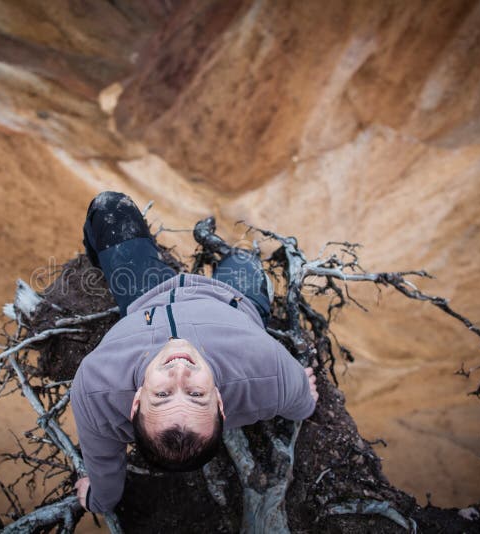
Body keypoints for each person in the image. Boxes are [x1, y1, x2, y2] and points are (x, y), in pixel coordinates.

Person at [70, 191, 318, 513]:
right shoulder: (265, 367)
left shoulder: (94, 388)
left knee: (110, 207)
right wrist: (307, 399)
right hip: (231, 299)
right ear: (219, 401)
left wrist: (98, 500)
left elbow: (103, 461)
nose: (180, 372)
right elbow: (299, 397)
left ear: (136, 401)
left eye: (162, 394)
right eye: (195, 393)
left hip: (146, 295)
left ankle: (98, 262)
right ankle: (237, 263)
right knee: (242, 259)